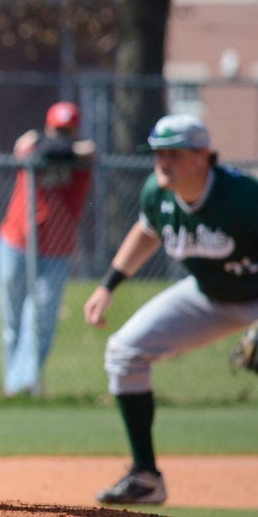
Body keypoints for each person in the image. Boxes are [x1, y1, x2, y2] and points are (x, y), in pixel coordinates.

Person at [83, 113, 258, 505]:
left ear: (203, 155)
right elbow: (148, 232)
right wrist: (108, 285)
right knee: (125, 351)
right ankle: (145, 477)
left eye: (174, 153)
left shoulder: (243, 197)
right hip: (210, 296)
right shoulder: (157, 193)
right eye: (158, 153)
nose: (163, 162)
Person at [0, 102, 95, 397]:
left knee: (40, 319)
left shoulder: (83, 156)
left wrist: (62, 149)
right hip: (16, 242)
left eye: (68, 131)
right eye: (58, 130)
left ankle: (22, 383)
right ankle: (15, 385)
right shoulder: (35, 146)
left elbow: (89, 152)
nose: (63, 136)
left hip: (56, 251)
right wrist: (45, 146)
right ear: (48, 127)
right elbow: (24, 148)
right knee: (12, 319)